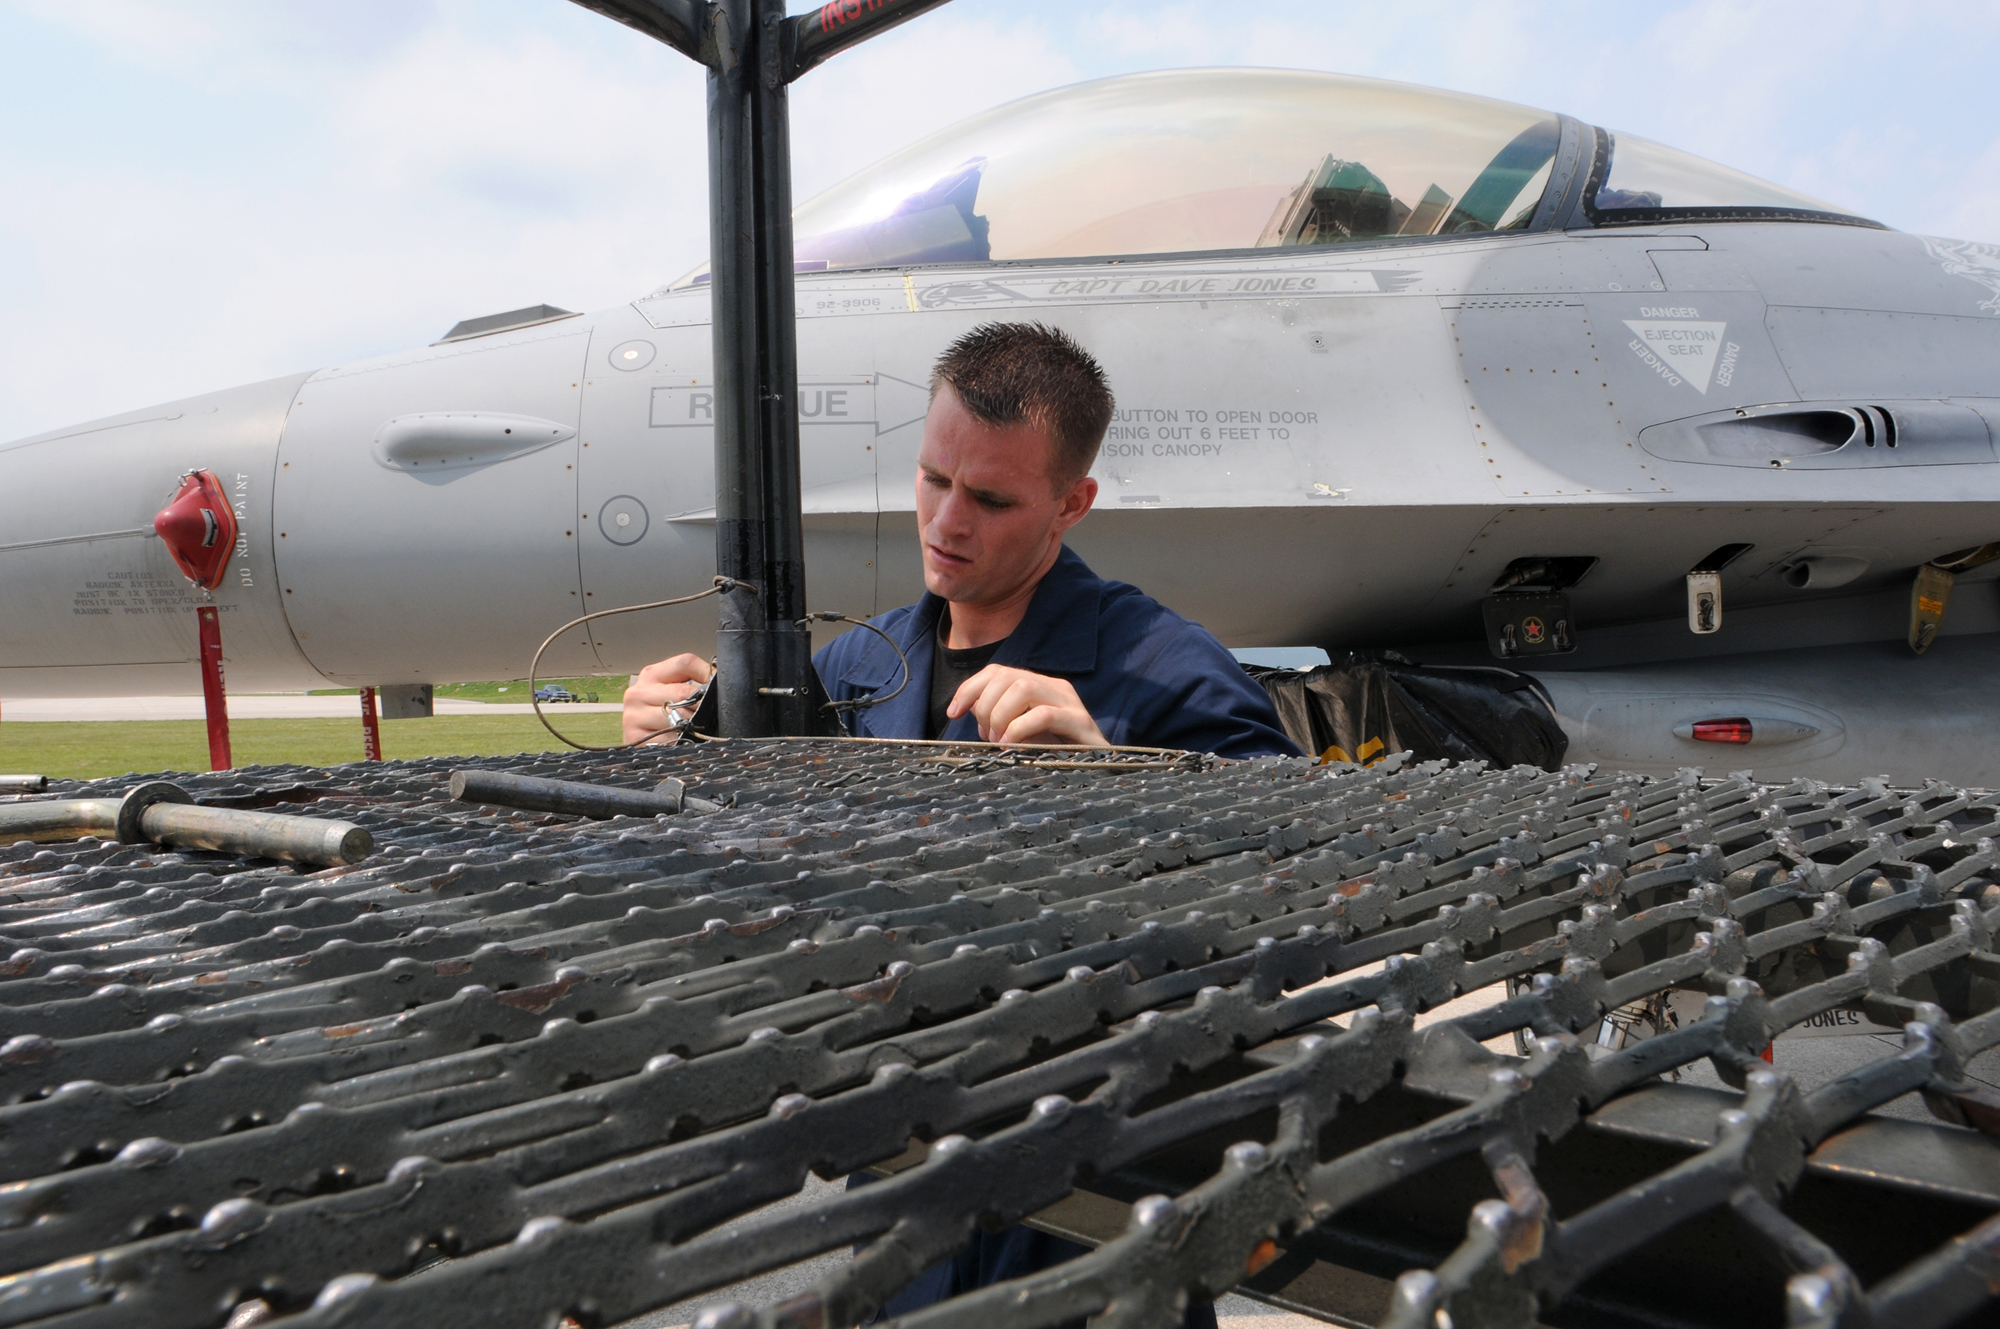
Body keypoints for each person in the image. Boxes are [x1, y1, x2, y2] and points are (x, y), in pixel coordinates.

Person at [623, 321, 1300, 1327]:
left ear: (1072, 502)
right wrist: (676, 740)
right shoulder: (858, 665)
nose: (945, 520)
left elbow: (1295, 859)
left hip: (1087, 1188)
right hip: (903, 1156)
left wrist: (1116, 778)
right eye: (932, 478)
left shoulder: (1159, 661)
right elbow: (766, 869)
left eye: (989, 498)